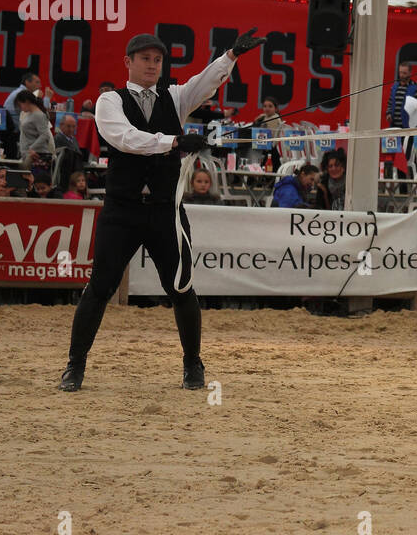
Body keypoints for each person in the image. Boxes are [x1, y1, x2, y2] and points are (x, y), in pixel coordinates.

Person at [57, 27, 266, 393]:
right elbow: (124, 138)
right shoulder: (111, 101)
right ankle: (74, 367)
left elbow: (204, 82)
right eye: (145, 59)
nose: (152, 65)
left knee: (181, 287)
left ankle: (193, 365)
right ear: (128, 62)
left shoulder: (174, 97)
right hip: (122, 211)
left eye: (157, 60)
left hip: (164, 211)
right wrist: (173, 141)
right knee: (99, 287)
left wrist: (231, 56)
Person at [17, 92, 56, 169]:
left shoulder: (38, 115)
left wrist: (31, 148)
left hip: (36, 156)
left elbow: (45, 135)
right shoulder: (30, 114)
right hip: (30, 154)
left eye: (20, 104)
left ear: (27, 101)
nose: (20, 107)